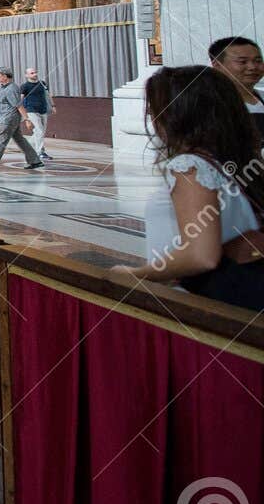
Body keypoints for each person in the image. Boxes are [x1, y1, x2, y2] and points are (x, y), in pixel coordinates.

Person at [111, 66, 264, 309]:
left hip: (200, 300)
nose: (151, 115)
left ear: (179, 113)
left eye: (155, 108)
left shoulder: (190, 166)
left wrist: (135, 273)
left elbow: (200, 256)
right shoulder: (235, 159)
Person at [0, 68, 44, 170]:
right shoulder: (2, 88)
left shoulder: (11, 88)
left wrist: (27, 119)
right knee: (20, 139)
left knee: (1, 139)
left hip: (8, 119)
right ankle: (35, 160)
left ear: (4, 76)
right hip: (4, 118)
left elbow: (18, 105)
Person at [209, 36, 264, 138]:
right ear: (217, 65)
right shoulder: (208, 104)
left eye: (258, 61)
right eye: (242, 62)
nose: (252, 67)